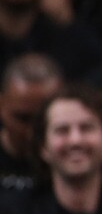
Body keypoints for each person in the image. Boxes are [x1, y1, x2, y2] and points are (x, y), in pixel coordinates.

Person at [0, 53, 62, 193]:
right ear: (1, 105)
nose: (31, 132)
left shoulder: (76, 162)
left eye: (43, 119)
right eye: (22, 119)